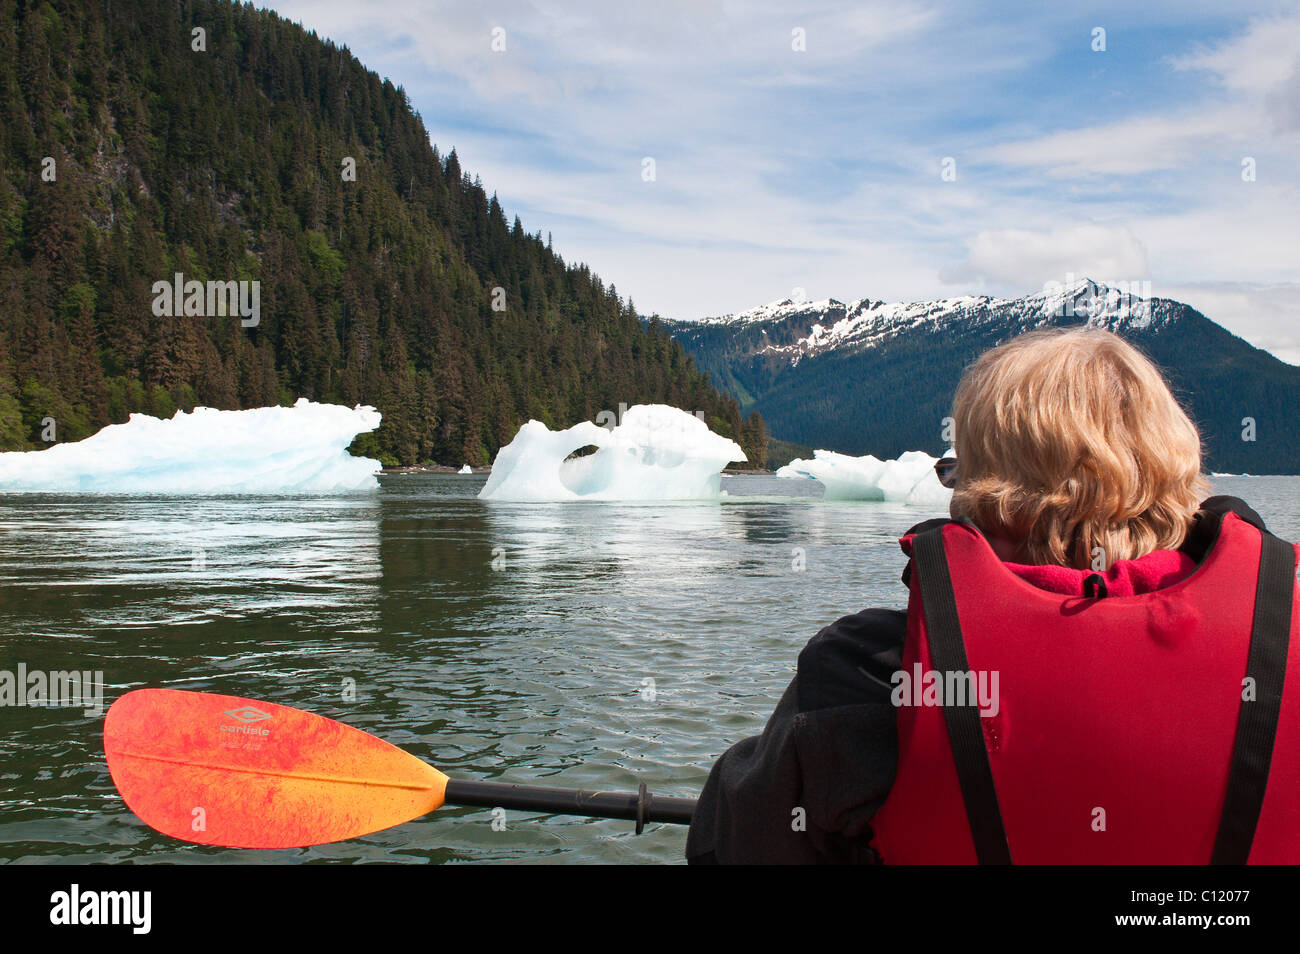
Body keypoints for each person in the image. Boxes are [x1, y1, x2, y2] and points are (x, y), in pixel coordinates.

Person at [685, 326, 1300, 864]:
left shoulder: (871, 670)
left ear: (992, 492)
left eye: (957, 473)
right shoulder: (1283, 643)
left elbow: (739, 842)